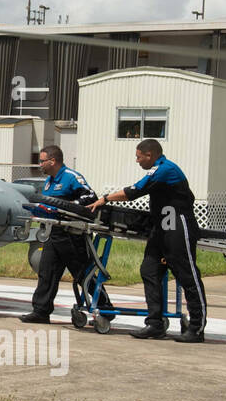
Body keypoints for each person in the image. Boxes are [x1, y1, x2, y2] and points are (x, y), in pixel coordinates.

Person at [86, 139, 207, 342]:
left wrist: (105, 198)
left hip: (178, 229)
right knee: (149, 270)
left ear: (149, 155)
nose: (137, 160)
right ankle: (155, 324)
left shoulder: (164, 169)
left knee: (187, 276)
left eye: (138, 156)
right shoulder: (160, 169)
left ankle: (196, 328)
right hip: (160, 230)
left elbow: (134, 191)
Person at [20, 146, 113, 323]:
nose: (39, 164)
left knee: (82, 273)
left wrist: (68, 205)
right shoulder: (48, 181)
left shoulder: (71, 177)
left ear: (52, 161)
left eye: (42, 160)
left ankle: (106, 310)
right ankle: (41, 311)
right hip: (53, 232)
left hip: (72, 235)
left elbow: (90, 197)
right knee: (46, 272)